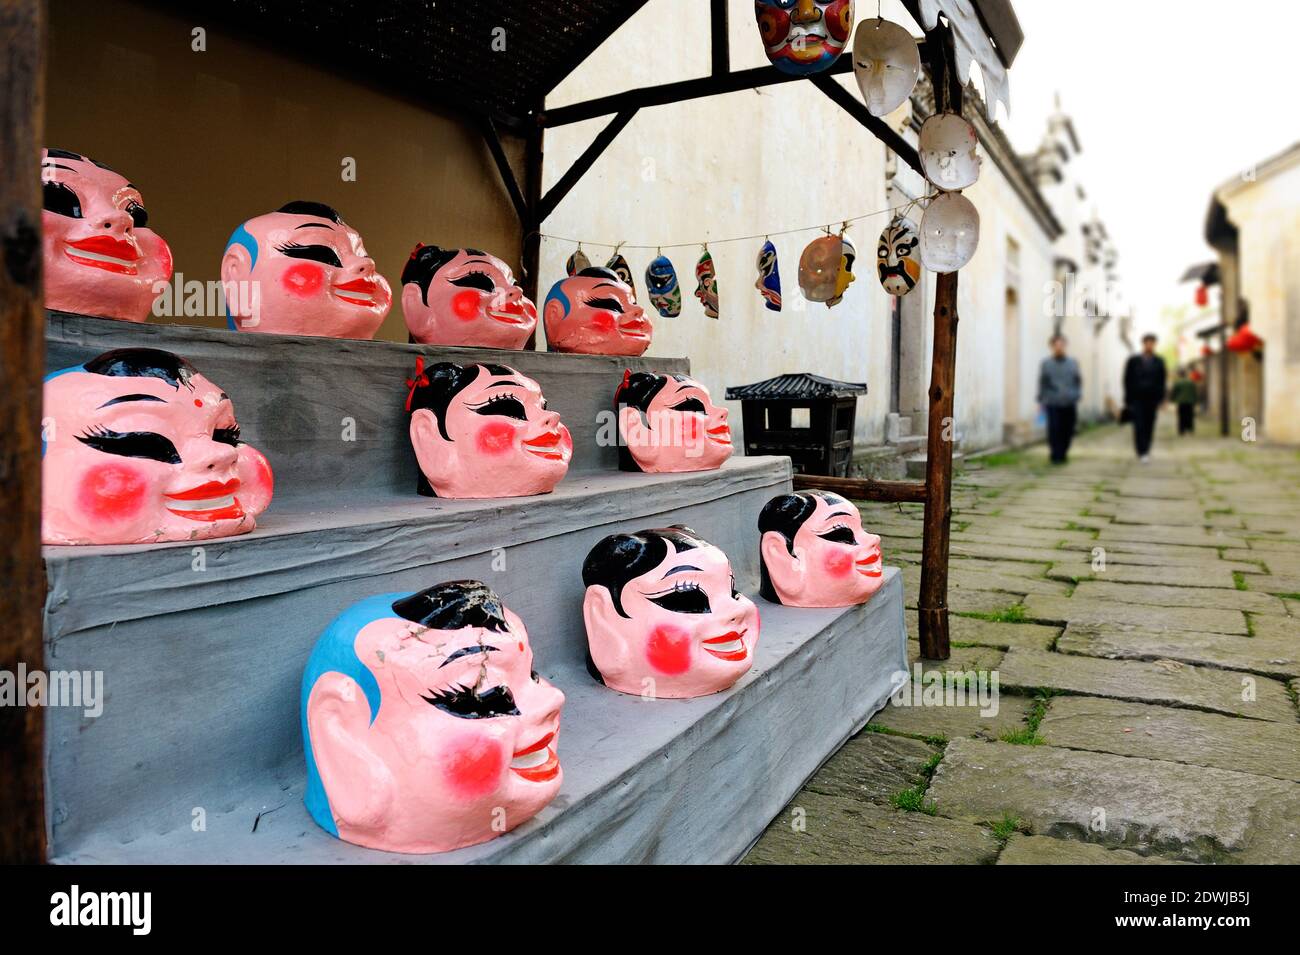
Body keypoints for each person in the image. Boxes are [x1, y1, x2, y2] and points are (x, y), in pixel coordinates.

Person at [1037, 334, 1082, 464]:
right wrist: (1043, 398)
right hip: (1053, 401)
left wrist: (1076, 394)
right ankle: (1055, 453)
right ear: (1052, 347)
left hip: (1069, 401)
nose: (1059, 347)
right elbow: (1043, 382)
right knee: (1054, 428)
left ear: (1065, 346)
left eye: (1061, 345)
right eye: (1056, 345)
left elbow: (1077, 381)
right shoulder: (1046, 364)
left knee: (1068, 428)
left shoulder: (1073, 363)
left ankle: (1063, 451)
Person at [1123, 333, 1167, 462]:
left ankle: (1146, 449)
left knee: (1149, 424)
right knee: (1138, 425)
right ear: (1143, 344)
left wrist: (1162, 398)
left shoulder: (1159, 361)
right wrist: (1127, 398)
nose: (1149, 345)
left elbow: (1162, 381)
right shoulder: (1134, 360)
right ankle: (1141, 450)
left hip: (1152, 399)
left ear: (1154, 344)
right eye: (1147, 342)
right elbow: (1127, 379)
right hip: (1137, 398)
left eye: (1152, 343)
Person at [1170, 367, 1198, 436]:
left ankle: (1181, 430)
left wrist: (1172, 399)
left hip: (1181, 401)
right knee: (1190, 416)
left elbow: (1174, 392)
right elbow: (1194, 392)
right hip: (1190, 401)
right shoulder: (1190, 382)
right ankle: (1190, 429)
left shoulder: (1178, 382)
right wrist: (1195, 400)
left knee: (1181, 416)